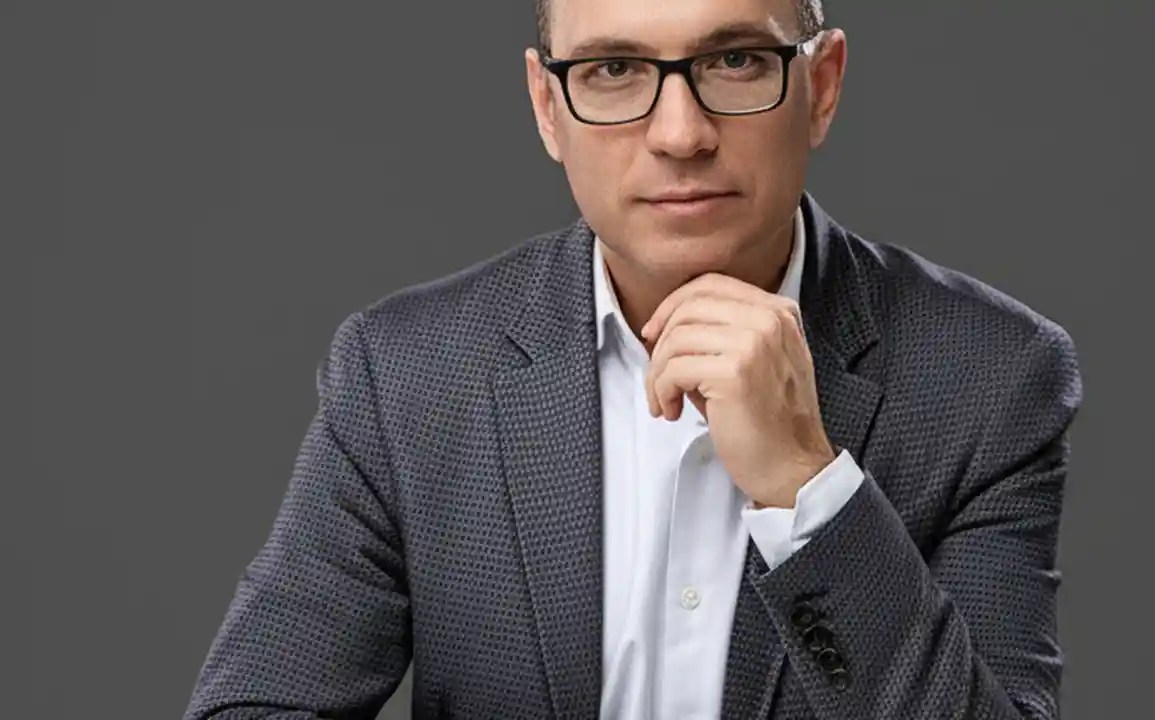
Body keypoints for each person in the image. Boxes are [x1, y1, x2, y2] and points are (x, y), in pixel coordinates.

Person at [184, 0, 1082, 718]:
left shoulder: (994, 378)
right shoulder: (405, 373)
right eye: (615, 70)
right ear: (548, 107)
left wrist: (809, 491)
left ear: (823, 85)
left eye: (734, 60)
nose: (680, 133)